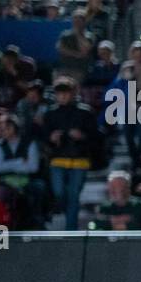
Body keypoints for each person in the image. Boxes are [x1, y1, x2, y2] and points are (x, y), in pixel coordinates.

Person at [42, 77, 98, 230]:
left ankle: (70, 230)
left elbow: (96, 137)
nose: (63, 96)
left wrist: (82, 136)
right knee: (59, 193)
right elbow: (44, 139)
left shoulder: (85, 112)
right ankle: (62, 216)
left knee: (73, 196)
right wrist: (51, 138)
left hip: (80, 160)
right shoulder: (50, 114)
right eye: (59, 93)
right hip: (58, 160)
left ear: (73, 93)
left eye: (66, 93)